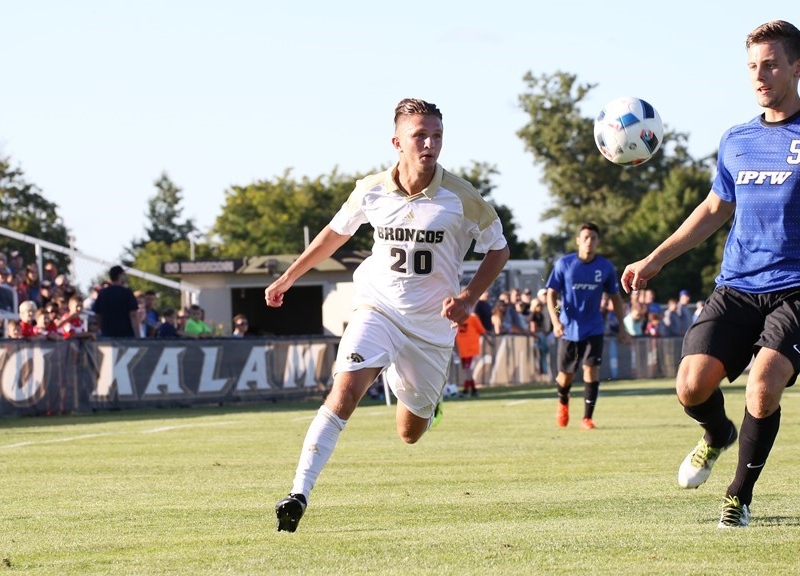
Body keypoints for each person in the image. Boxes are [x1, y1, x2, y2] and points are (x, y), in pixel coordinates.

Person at [620, 21, 800, 528]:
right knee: (690, 388)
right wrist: (655, 258)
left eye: (771, 64)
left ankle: (738, 496)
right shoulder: (736, 139)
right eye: (753, 66)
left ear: (798, 66)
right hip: (737, 285)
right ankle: (716, 435)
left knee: (762, 385)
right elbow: (714, 208)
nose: (760, 75)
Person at [265, 98, 509, 533]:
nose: (430, 143)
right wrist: (287, 278)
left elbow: (499, 248)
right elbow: (332, 236)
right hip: (377, 309)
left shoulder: (462, 196)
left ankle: (417, 398)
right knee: (343, 395)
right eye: (420, 135)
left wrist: (469, 297)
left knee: (409, 433)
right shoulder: (371, 189)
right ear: (397, 142)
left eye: (436, 135)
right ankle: (298, 492)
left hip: (430, 330)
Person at [546, 222, 631, 430]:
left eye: (593, 238)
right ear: (578, 240)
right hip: (568, 328)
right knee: (565, 375)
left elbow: (615, 298)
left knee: (591, 370)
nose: (589, 241)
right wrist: (556, 321)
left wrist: (622, 326)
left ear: (597, 241)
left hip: (594, 327)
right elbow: (551, 294)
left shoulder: (605, 267)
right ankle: (563, 402)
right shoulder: (564, 264)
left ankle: (587, 418)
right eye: (585, 237)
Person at [92, 266, 140, 338]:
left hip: (107, 334)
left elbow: (97, 315)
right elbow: (133, 315)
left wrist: (102, 328)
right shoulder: (127, 293)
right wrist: (137, 334)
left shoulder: (102, 293)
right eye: (123, 275)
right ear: (119, 275)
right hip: (126, 334)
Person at [455, 311, 487, 396]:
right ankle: (473, 390)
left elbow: (482, 330)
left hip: (471, 349)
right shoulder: (457, 319)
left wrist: (489, 340)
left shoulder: (473, 318)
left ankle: (467, 390)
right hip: (462, 350)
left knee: (468, 370)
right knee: (467, 371)